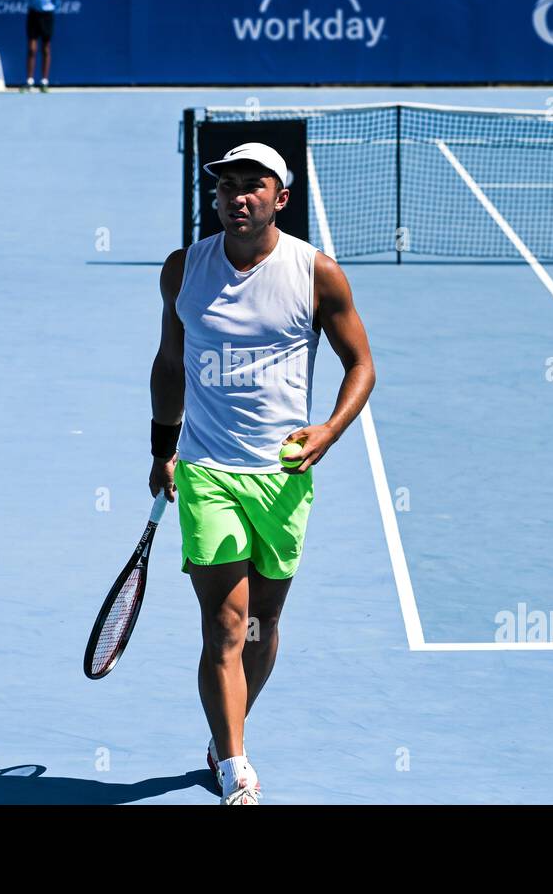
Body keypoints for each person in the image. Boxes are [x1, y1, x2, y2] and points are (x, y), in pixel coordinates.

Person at [149, 143, 376, 805]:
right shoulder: (182, 270)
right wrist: (162, 446)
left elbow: (361, 364)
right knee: (224, 625)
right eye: (225, 188)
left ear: (282, 198)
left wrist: (329, 430)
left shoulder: (316, 274)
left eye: (254, 186)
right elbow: (170, 363)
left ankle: (228, 733)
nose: (237, 197)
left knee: (262, 627)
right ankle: (235, 769)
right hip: (207, 470)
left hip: (282, 476)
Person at [25, 0, 62, 93]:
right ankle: (29, 81)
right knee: (32, 49)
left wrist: (49, 9)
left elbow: (56, 2)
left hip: (47, 17)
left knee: (46, 49)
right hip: (34, 15)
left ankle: (44, 81)